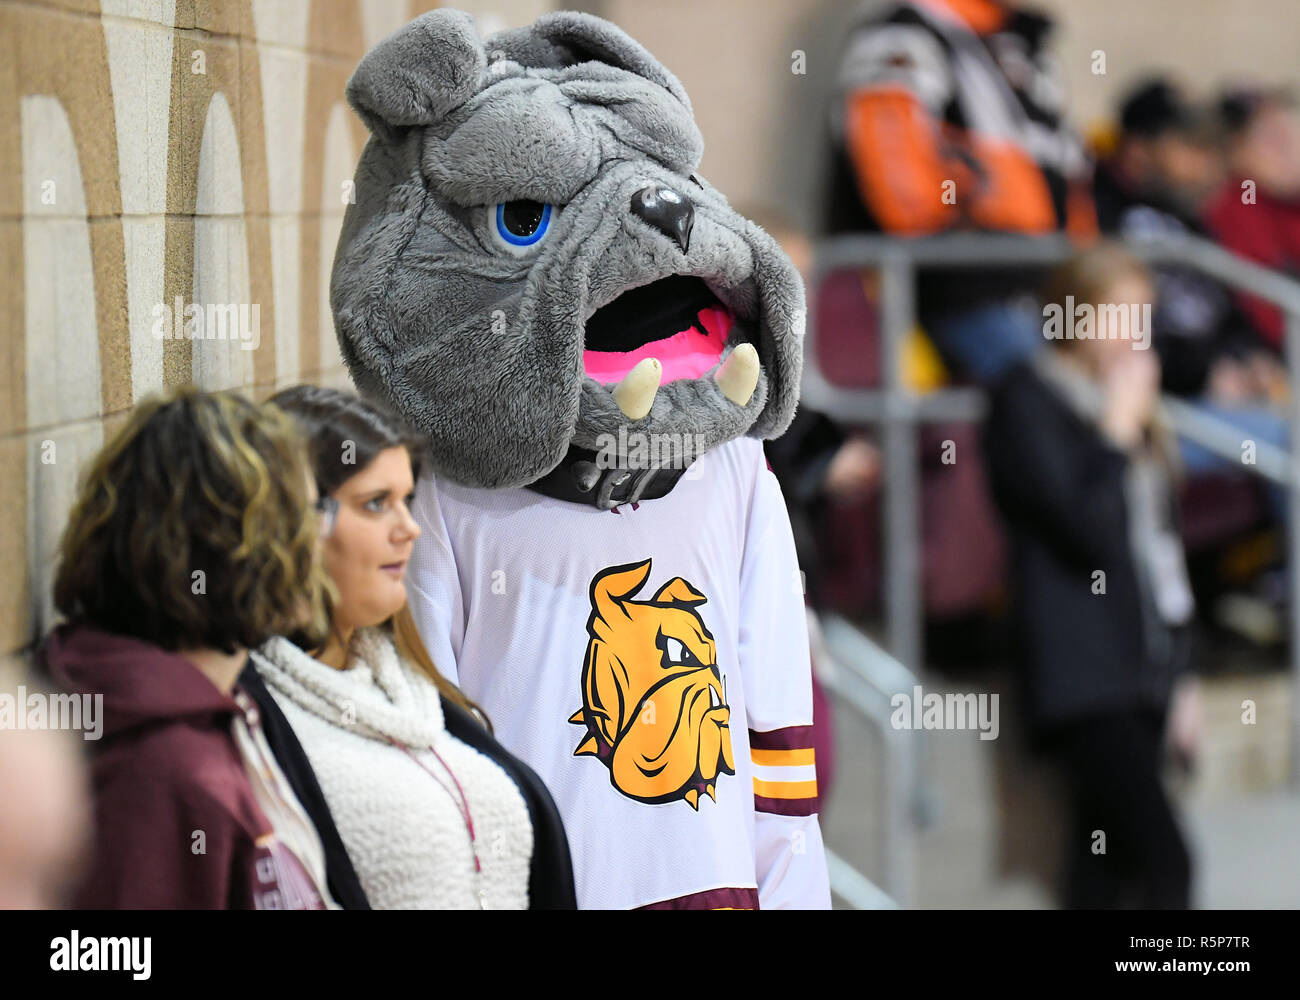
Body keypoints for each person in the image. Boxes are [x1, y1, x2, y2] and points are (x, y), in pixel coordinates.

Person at [247, 385, 576, 910]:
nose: (408, 529)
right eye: (376, 504)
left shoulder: (411, 687)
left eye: (406, 500)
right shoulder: (249, 725)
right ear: (291, 524)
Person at [42, 387, 338, 909]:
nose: (323, 537)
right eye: (313, 512)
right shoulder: (162, 768)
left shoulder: (203, 710)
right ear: (243, 548)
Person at [983, 244, 1198, 908]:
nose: (1134, 335)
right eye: (1118, 314)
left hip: (1143, 667)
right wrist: (1115, 432)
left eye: (1143, 316)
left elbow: (1161, 556)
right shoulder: (1028, 399)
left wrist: (1184, 671)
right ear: (1073, 314)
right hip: (1082, 675)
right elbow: (1084, 529)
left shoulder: (1129, 409)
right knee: (1167, 861)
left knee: (1100, 867)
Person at [822, 0, 1096, 383]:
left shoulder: (1025, 45)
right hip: (954, 290)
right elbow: (903, 193)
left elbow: (1072, 180)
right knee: (1057, 394)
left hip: (1044, 284)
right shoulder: (902, 32)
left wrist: (1086, 273)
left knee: (1126, 364)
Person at [1206, 87, 1300, 353]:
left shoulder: (1286, 200)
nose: (1286, 147)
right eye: (1269, 138)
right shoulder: (1238, 204)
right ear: (1234, 150)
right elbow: (1268, 314)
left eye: (1285, 131)